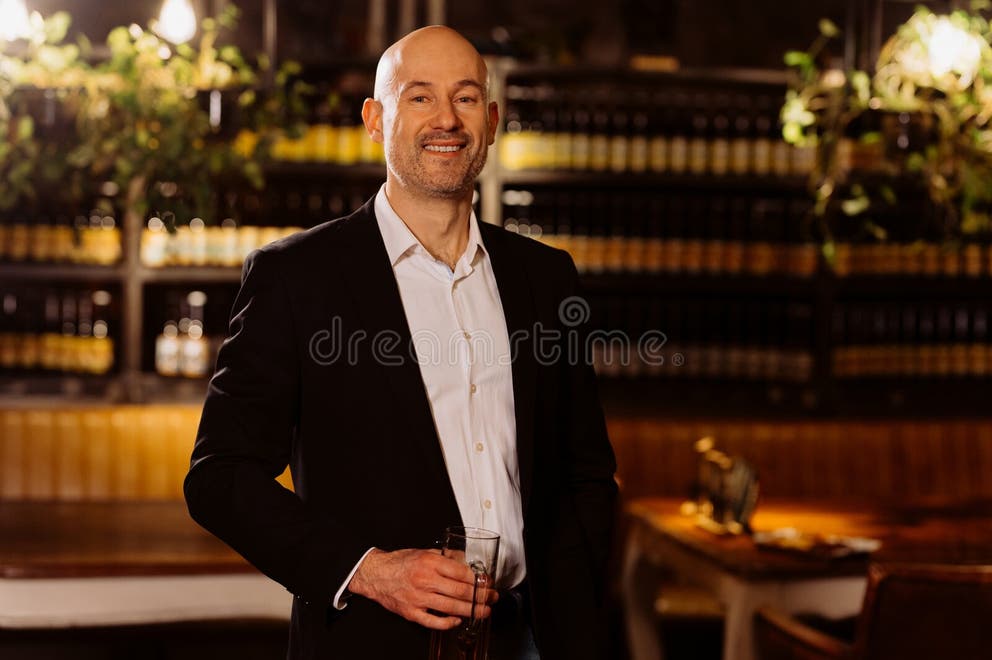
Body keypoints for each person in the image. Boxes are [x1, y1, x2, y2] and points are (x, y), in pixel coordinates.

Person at [184, 25, 618, 660]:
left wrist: (576, 604)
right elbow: (219, 478)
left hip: (537, 638)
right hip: (373, 640)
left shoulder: (546, 277)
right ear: (374, 118)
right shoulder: (296, 277)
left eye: (466, 98)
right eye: (420, 97)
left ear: (492, 121)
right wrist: (371, 572)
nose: (447, 119)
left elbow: (587, 470)